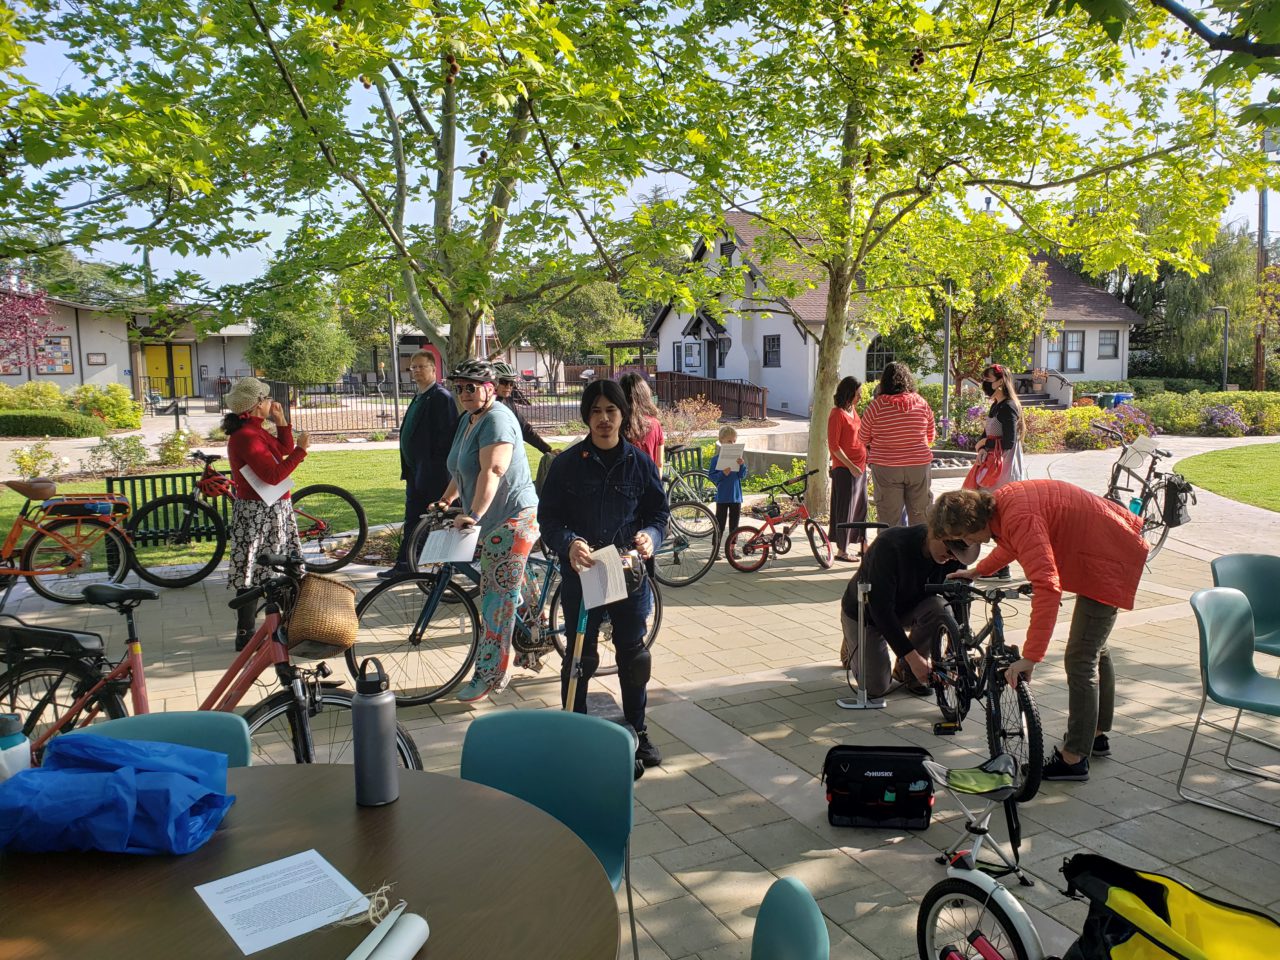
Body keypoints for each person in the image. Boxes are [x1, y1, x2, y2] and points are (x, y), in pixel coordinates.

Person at [930, 482, 1149, 782]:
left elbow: (1046, 586)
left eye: (962, 538)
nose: (964, 544)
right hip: (1106, 543)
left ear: (973, 525)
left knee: (1080, 658)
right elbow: (1012, 543)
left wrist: (1031, 656)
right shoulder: (1001, 505)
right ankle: (1095, 735)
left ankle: (1073, 759)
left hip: (1109, 556)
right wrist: (978, 571)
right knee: (1095, 647)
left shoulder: (1018, 517)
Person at [538, 379, 670, 773]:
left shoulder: (639, 463)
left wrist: (651, 537)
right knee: (580, 655)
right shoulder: (566, 465)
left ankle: (638, 731)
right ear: (586, 417)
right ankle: (573, 731)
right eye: (595, 411)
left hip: (627, 574)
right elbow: (549, 519)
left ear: (623, 415)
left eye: (611, 410)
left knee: (634, 655)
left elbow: (658, 514)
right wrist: (568, 543)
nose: (604, 419)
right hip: (583, 574)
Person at [435, 358, 540, 703]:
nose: (464, 393)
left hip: (513, 516)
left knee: (496, 596)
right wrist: (446, 499)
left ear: (490, 389)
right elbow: (462, 468)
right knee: (506, 585)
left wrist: (474, 514)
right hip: (488, 517)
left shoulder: (497, 419)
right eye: (459, 387)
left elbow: (492, 469)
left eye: (471, 387)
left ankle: (490, 674)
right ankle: (534, 634)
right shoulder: (469, 419)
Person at [839, 523, 978, 698]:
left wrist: (955, 654)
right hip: (867, 613)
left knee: (941, 609)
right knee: (874, 688)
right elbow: (881, 610)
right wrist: (913, 658)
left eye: (958, 554)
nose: (952, 557)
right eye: (950, 549)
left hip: (910, 608)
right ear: (935, 532)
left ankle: (908, 673)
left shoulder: (954, 558)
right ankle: (852, 643)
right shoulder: (889, 545)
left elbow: (958, 602)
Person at [222, 377, 310, 650]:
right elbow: (273, 475)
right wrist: (301, 451)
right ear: (257, 404)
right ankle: (247, 633)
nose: (272, 401)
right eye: (267, 398)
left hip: (271, 508)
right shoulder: (246, 436)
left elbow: (281, 450)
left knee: (274, 566)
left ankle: (288, 625)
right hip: (259, 512)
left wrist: (282, 422)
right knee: (253, 569)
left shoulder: (254, 430)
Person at [383, 350, 458, 578]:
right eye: (413, 367)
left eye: (421, 366)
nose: (415, 371)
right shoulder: (421, 396)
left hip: (433, 475)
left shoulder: (441, 397)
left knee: (441, 522)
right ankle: (405, 566)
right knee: (412, 520)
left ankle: (452, 567)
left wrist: (434, 469)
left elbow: (446, 439)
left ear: (434, 369)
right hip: (415, 473)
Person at [859, 361, 935, 528]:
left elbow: (862, 437)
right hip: (919, 465)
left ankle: (890, 545)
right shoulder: (922, 403)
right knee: (921, 516)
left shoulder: (876, 406)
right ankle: (920, 545)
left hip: (886, 467)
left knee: (888, 518)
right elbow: (930, 436)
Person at [828, 375, 868, 562]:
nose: (860, 397)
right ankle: (841, 550)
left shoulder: (852, 410)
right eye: (857, 394)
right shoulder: (837, 414)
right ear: (848, 393)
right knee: (846, 509)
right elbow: (834, 446)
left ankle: (863, 544)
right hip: (845, 469)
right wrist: (851, 466)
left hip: (860, 468)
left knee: (861, 508)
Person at [975, 363, 1025, 489]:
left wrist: (985, 442)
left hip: (1005, 467)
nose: (985, 384)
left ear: (1001, 381)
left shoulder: (1008, 407)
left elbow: (1009, 443)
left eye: (988, 380)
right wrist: (982, 448)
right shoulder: (996, 404)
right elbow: (987, 432)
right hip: (993, 464)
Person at [493, 360, 554, 458]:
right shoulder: (485, 406)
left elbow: (524, 428)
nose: (508, 386)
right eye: (503, 382)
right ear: (493, 382)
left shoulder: (508, 401)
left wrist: (547, 449)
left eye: (511, 383)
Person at [618, 372, 665, 471]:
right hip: (649, 478)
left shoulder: (616, 425)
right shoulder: (655, 424)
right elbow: (659, 464)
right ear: (645, 395)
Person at [707, 425, 746, 544]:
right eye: (729, 441)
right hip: (722, 497)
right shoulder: (716, 459)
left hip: (736, 497)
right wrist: (722, 474)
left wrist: (742, 465)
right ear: (721, 441)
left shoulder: (738, 459)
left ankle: (731, 549)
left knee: (734, 526)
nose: (732, 444)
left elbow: (742, 475)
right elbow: (712, 477)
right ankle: (716, 548)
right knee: (719, 524)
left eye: (734, 441)